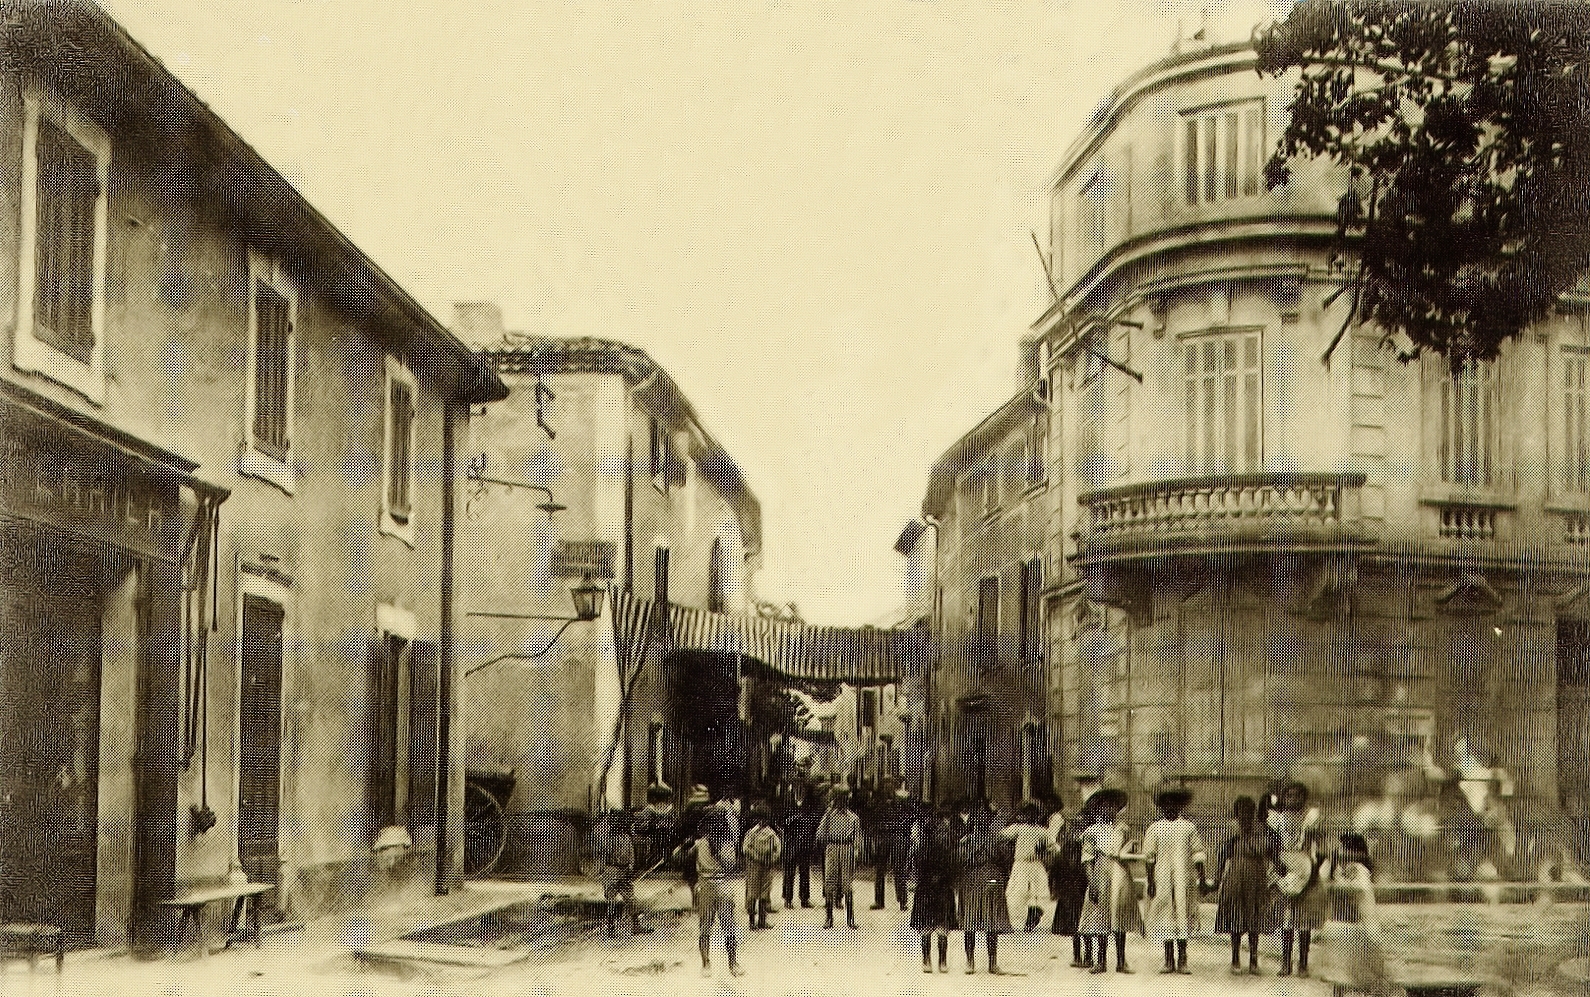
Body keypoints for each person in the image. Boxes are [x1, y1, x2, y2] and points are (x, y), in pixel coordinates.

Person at [1214, 795, 1285, 976]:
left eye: (1248, 812)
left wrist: (1280, 867)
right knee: (1236, 919)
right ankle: (1235, 958)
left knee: (1255, 920)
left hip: (1256, 878)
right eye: (1241, 813)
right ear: (1236, 814)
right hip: (1236, 877)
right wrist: (1216, 879)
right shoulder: (1232, 831)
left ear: (1253, 813)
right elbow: (1223, 855)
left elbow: (1272, 852)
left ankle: (1253, 960)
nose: (1245, 816)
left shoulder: (1262, 830)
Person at [1142, 788, 1208, 974]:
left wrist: (1201, 878)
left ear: (1179, 805)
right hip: (1162, 877)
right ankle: (1168, 959)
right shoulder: (1155, 828)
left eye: (1173, 803)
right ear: (1161, 806)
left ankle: (1183, 959)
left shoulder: (1188, 827)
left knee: (1182, 915)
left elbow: (1198, 854)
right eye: (1165, 804)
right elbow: (1149, 857)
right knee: (1165, 917)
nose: (1169, 807)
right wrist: (1151, 880)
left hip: (1183, 877)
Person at [1078, 788, 1142, 974]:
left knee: (1119, 913)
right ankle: (1101, 960)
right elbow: (1087, 859)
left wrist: (1132, 852)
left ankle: (1121, 960)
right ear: (1098, 809)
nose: (1109, 810)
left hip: (1120, 872)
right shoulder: (1092, 831)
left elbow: (1128, 850)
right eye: (1105, 806)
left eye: (1113, 806)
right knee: (1101, 915)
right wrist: (1092, 882)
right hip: (1101, 870)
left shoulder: (1123, 829)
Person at [1269, 781, 1328, 977]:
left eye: (1297, 795)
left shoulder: (1309, 820)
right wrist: (1279, 870)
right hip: (1286, 868)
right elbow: (1274, 849)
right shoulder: (1277, 821)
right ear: (1283, 798)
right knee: (1287, 921)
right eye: (1289, 795)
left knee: (1304, 922)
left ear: (1304, 798)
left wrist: (1313, 871)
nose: (1293, 799)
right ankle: (1285, 962)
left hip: (1305, 869)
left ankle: (1303, 963)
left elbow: (1320, 849)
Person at [679, 804, 745, 977]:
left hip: (709, 885)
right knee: (726, 927)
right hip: (721, 886)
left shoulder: (703, 844)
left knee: (707, 927)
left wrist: (687, 846)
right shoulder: (724, 844)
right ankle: (732, 964)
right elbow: (732, 866)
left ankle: (707, 964)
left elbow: (680, 858)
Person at [1325, 833, 1390, 995]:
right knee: (1342, 974)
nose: (1338, 850)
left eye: (1341, 847)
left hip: (1362, 925)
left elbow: (1356, 893)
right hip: (1349, 925)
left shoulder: (1357, 870)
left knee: (1360, 975)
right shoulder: (1343, 869)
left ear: (1349, 850)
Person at [956, 801, 1011, 974]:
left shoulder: (966, 841)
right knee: (991, 921)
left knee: (971, 922)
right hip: (991, 880)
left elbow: (959, 862)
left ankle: (970, 962)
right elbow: (1006, 861)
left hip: (972, 881)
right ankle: (992, 963)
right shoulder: (997, 840)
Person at [910, 803, 960, 973]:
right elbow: (952, 866)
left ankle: (927, 960)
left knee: (927, 925)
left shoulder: (921, 846)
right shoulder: (947, 845)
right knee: (941, 925)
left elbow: (917, 865)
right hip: (941, 887)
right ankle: (941, 961)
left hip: (926, 887)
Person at [1045, 797, 1090, 967]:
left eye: (1081, 826)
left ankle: (1087, 955)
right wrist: (1056, 888)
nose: (1077, 830)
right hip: (1070, 888)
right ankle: (1078, 955)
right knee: (1075, 925)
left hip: (1083, 885)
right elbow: (1057, 868)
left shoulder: (1087, 844)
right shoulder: (1066, 847)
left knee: (1087, 923)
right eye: (1075, 826)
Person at [594, 809, 647, 937]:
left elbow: (603, 856)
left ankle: (612, 928)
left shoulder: (608, 839)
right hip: (620, 871)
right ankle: (634, 926)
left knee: (612, 900)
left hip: (610, 872)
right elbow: (630, 858)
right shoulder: (625, 838)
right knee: (629, 899)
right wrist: (630, 868)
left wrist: (601, 871)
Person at [1000, 800, 1051, 932]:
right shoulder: (1019, 828)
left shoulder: (1042, 831)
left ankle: (1034, 914)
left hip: (1035, 864)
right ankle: (1024, 916)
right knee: (1019, 891)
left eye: (1033, 815)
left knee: (1036, 892)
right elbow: (1002, 835)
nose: (1030, 817)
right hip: (1021, 864)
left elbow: (1052, 847)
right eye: (1027, 814)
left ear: (1037, 816)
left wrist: (1043, 850)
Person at [816, 787, 862, 928]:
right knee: (830, 881)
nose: (842, 802)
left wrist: (855, 852)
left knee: (847, 884)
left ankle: (850, 918)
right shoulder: (829, 816)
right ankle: (829, 917)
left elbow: (857, 838)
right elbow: (819, 834)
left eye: (844, 798)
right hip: (832, 848)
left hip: (846, 848)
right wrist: (826, 845)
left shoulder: (853, 817)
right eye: (839, 798)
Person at [778, 779, 819, 909]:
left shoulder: (810, 799)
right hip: (791, 839)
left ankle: (804, 898)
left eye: (802, 787)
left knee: (804, 871)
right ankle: (788, 899)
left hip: (805, 840)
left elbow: (815, 816)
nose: (800, 789)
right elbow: (781, 819)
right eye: (797, 786)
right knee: (789, 870)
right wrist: (792, 819)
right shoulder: (787, 798)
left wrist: (807, 822)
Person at [872, 783, 913, 911]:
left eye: (889, 786)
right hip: (885, 837)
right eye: (885, 786)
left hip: (897, 837)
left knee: (898, 869)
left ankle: (902, 900)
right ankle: (880, 900)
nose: (887, 789)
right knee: (880, 870)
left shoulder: (902, 800)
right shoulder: (879, 802)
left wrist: (903, 829)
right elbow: (873, 818)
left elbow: (910, 816)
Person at [741, 802, 782, 931]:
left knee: (765, 892)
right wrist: (757, 858)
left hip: (767, 866)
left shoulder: (771, 834)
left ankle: (762, 920)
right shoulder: (751, 833)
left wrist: (771, 859)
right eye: (760, 818)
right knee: (753, 892)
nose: (763, 821)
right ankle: (752, 921)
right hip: (754, 865)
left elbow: (778, 848)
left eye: (765, 819)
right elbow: (746, 848)